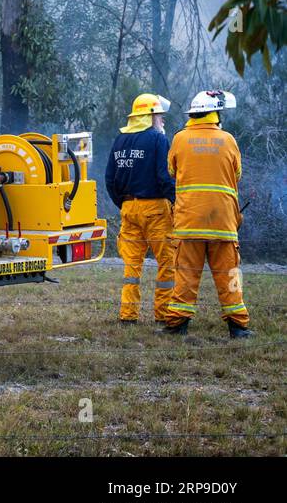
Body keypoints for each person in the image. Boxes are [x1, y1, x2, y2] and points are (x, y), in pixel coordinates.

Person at [164, 90, 250, 339]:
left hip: (189, 221)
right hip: (223, 222)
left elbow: (171, 171)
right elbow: (237, 175)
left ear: (192, 115)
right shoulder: (228, 140)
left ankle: (177, 325)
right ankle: (238, 327)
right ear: (215, 115)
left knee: (186, 275)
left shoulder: (180, 139)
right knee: (230, 275)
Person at [105, 94, 176, 325]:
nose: (162, 120)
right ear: (150, 116)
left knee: (131, 267)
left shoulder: (119, 140)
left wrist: (124, 203)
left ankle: (128, 316)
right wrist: (177, 202)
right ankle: (163, 315)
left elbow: (109, 179)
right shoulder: (158, 140)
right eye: (160, 116)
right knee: (167, 262)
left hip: (128, 208)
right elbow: (164, 178)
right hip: (156, 209)